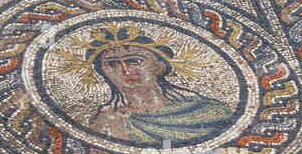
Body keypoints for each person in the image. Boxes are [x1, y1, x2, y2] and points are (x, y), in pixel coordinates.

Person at [56, 24, 234, 145]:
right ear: (105, 73)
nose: (124, 71)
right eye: (112, 64)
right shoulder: (107, 122)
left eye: (133, 60)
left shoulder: (208, 110)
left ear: (159, 66)